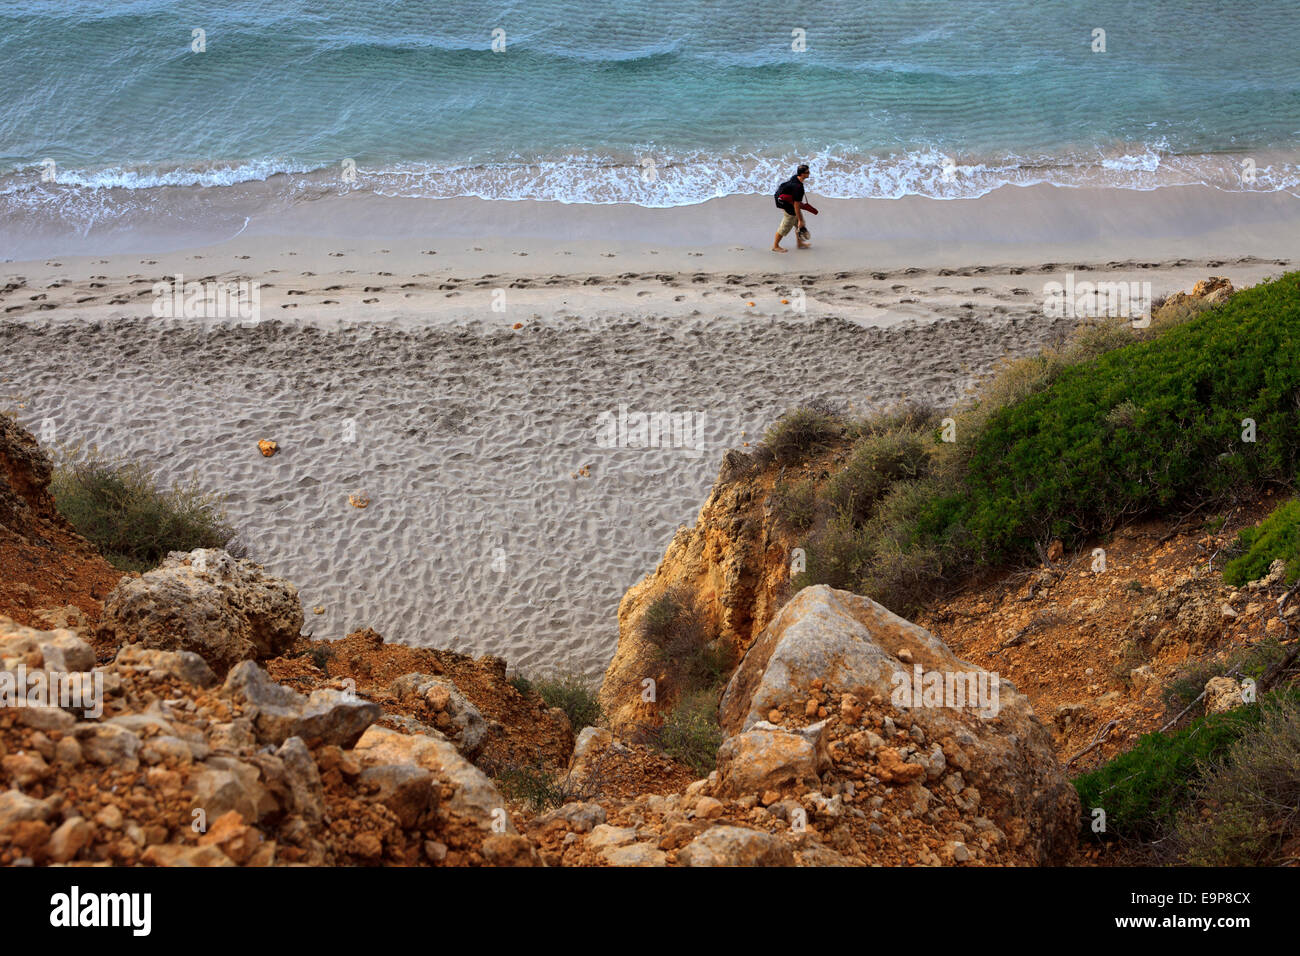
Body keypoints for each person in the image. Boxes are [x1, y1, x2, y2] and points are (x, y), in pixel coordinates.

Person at [772, 164, 814, 252]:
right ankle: (775, 246)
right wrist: (800, 219)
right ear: (802, 174)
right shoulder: (798, 188)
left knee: (799, 226)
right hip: (790, 208)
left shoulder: (795, 177)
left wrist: (800, 220)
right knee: (784, 228)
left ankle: (799, 243)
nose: (809, 173)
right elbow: (796, 205)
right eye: (807, 172)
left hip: (786, 203)